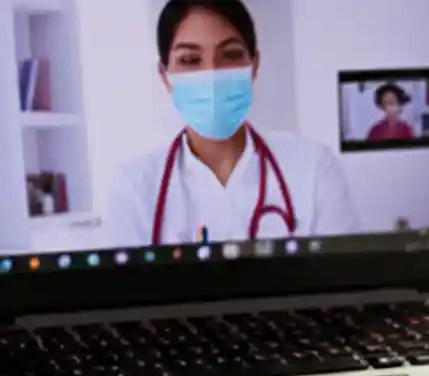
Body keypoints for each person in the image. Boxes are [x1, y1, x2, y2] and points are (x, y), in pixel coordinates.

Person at [106, 0, 359, 247]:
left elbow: (343, 279)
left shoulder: (312, 168)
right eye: (190, 60)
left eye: (230, 54)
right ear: (165, 76)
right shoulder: (135, 186)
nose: (212, 73)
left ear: (254, 65)